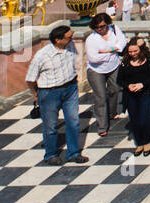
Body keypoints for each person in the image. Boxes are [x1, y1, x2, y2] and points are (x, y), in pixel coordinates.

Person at [25, 25, 89, 166]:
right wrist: (36, 95)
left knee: (73, 121)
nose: (72, 38)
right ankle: (51, 154)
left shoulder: (70, 46)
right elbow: (30, 79)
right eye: (69, 36)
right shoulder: (42, 56)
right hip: (49, 92)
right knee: (51, 125)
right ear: (58, 40)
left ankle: (73, 153)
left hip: (70, 88)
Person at [117, 37, 150, 156]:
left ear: (140, 50)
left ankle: (147, 141)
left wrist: (142, 84)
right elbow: (120, 80)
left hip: (146, 92)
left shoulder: (149, 58)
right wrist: (128, 86)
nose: (132, 54)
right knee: (134, 120)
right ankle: (140, 143)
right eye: (130, 52)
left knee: (143, 119)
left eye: (135, 51)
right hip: (131, 95)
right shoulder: (125, 62)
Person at [85, 12, 127, 137]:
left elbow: (122, 43)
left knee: (115, 90)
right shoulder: (91, 39)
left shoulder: (114, 29)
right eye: (97, 27)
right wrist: (112, 51)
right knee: (101, 97)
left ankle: (111, 112)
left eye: (103, 26)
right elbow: (93, 58)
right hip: (96, 71)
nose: (100, 29)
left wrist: (105, 51)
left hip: (113, 67)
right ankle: (102, 126)